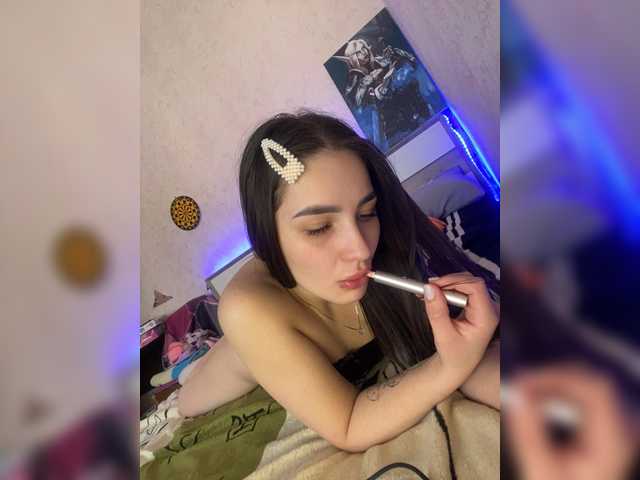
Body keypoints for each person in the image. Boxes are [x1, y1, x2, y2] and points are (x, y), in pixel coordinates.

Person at [177, 110, 499, 452]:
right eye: (319, 228)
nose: (360, 249)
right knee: (188, 392)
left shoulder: (390, 240)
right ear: (267, 234)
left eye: (366, 213)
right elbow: (348, 427)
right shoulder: (248, 310)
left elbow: (472, 357)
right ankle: (189, 366)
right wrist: (448, 368)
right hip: (231, 364)